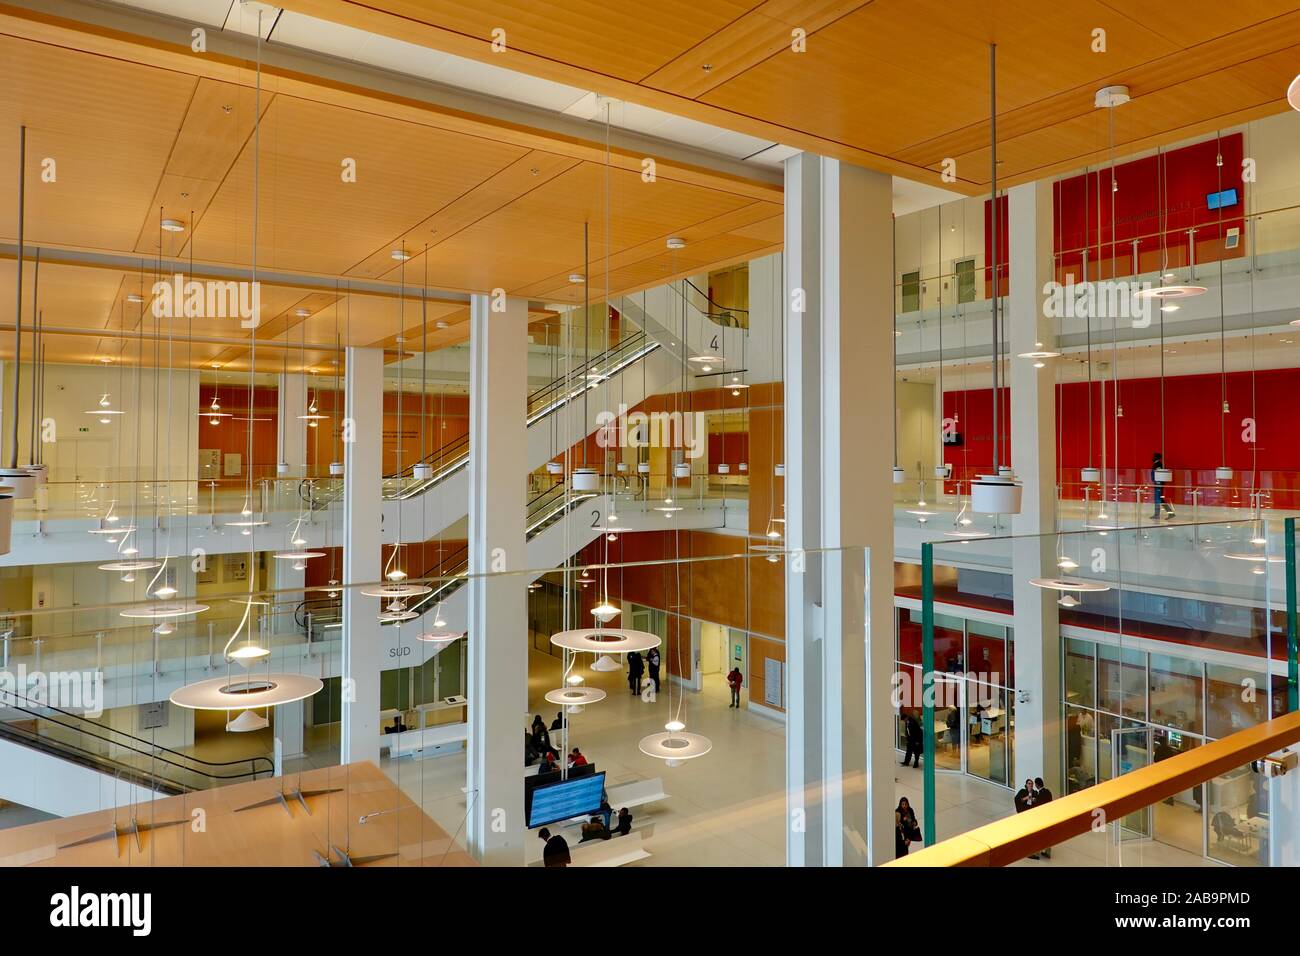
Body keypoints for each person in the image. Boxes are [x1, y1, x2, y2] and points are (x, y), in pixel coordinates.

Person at [1151, 452, 1175, 520]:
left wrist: (1157, 482)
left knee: (1158, 499)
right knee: (1159, 499)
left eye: (1154, 456)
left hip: (1158, 484)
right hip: (1157, 484)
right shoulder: (1157, 464)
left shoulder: (1158, 464)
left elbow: (1158, 474)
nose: (1153, 458)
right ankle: (1158, 514)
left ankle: (1167, 513)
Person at [1033, 778, 1054, 859]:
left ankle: (1036, 854)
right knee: (1047, 834)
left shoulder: (1039, 795)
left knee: (1038, 835)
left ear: (1037, 785)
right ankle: (1048, 852)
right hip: (1048, 816)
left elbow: (1038, 806)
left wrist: (1035, 800)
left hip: (1041, 817)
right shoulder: (1048, 792)